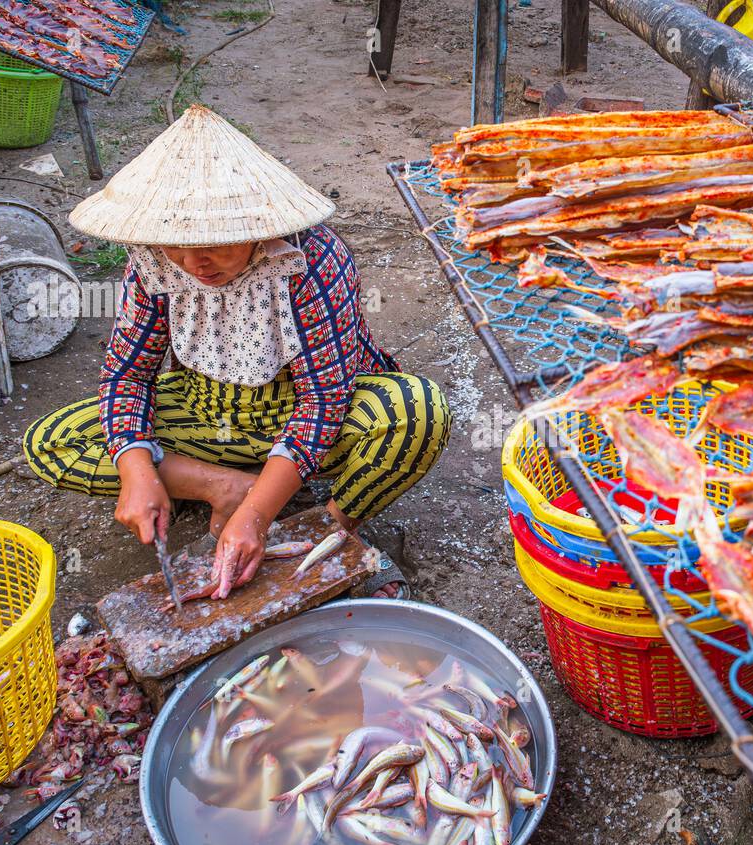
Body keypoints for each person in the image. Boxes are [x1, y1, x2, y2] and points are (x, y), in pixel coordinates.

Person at [24, 106, 449, 599]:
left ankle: (322, 529)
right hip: (204, 412)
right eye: (176, 247)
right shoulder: (154, 265)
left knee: (416, 413)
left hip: (301, 413)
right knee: (52, 442)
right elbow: (127, 377)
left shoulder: (308, 263)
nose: (194, 263)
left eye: (216, 246)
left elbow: (324, 402)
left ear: (257, 228)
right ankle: (222, 485)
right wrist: (137, 470)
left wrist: (256, 518)